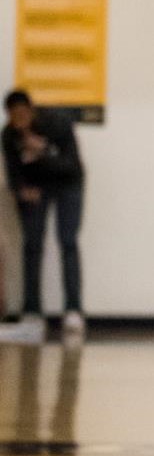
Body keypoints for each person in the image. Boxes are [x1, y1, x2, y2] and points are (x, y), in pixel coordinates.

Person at [2, 91, 85, 340]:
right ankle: (32, 309)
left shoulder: (57, 123)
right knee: (32, 244)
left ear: (32, 110)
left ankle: (73, 309)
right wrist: (21, 191)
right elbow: (13, 172)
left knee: (68, 241)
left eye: (23, 114)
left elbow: (71, 164)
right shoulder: (8, 135)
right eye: (14, 117)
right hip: (38, 188)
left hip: (69, 184)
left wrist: (45, 150)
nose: (20, 121)